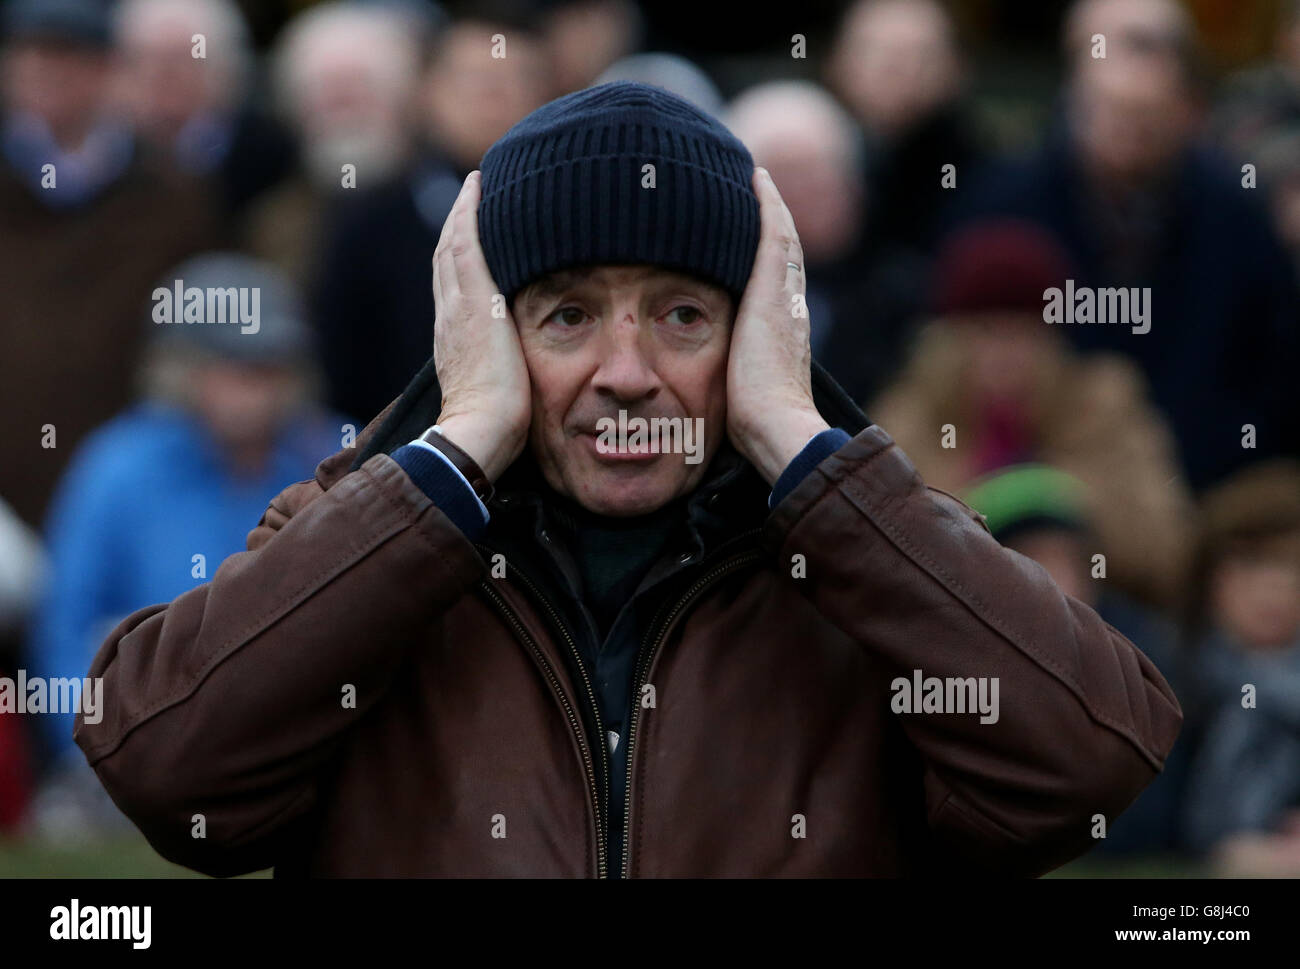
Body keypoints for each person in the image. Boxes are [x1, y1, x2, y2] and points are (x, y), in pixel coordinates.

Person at [76, 82, 1181, 878]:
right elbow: (167, 772)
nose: (625, 375)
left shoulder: (864, 569)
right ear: (488, 339)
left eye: (682, 315)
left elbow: (1090, 767)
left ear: (757, 336)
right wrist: (453, 454)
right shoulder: (360, 542)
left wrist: (802, 444)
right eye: (566, 315)